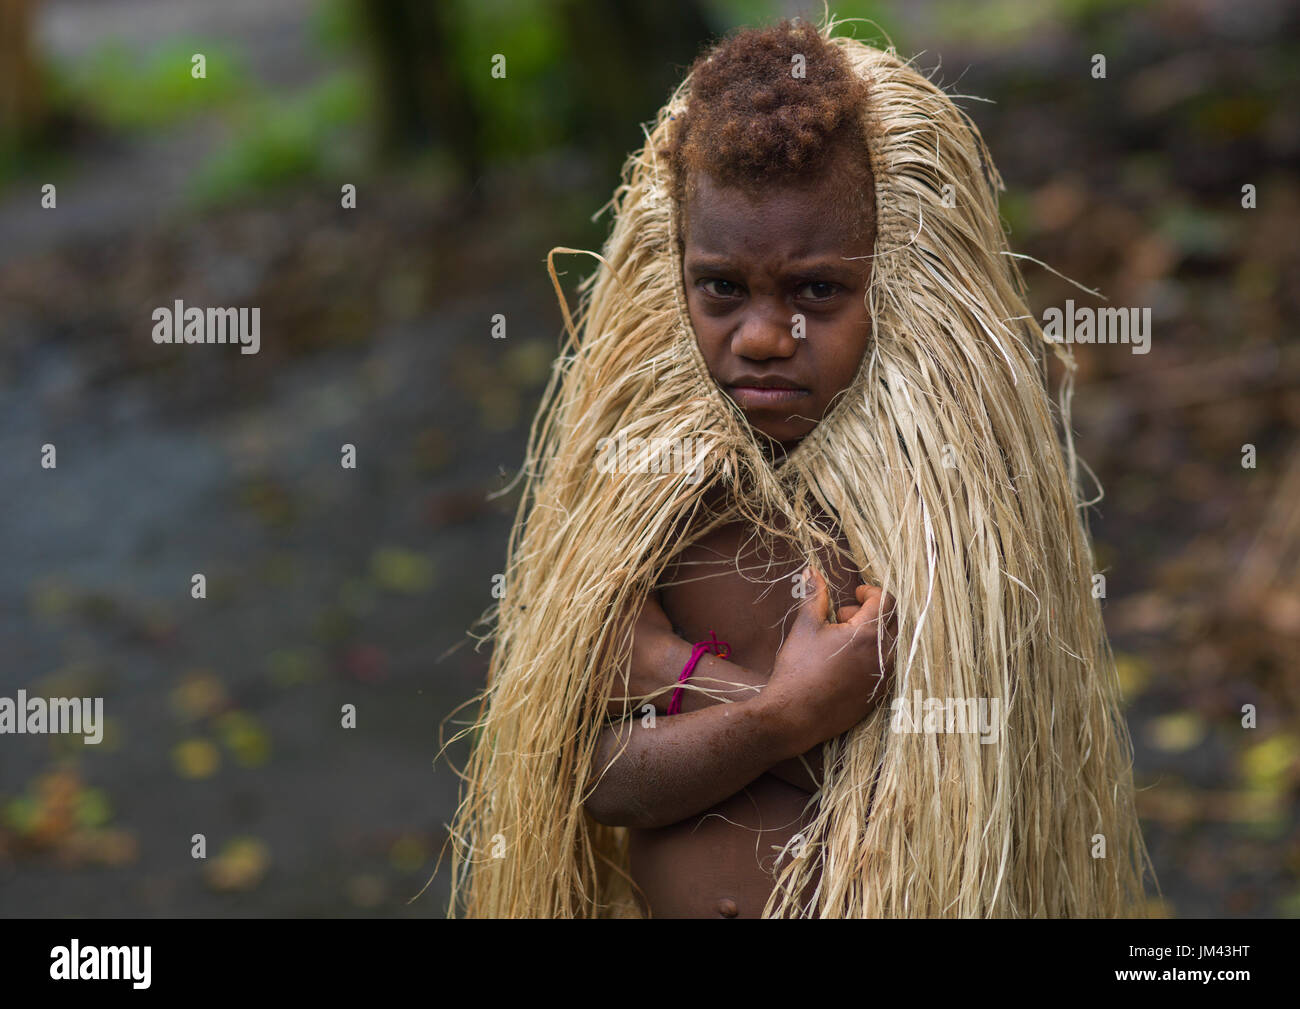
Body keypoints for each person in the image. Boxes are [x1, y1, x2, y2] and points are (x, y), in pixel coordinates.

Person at [446, 15, 1153, 918]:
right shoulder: (642, 498)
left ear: (896, 276)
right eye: (722, 288)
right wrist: (786, 712)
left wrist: (677, 671)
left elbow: (952, 768)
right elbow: (594, 779)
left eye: (818, 290)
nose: (764, 337)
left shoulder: (946, 504)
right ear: (675, 271)